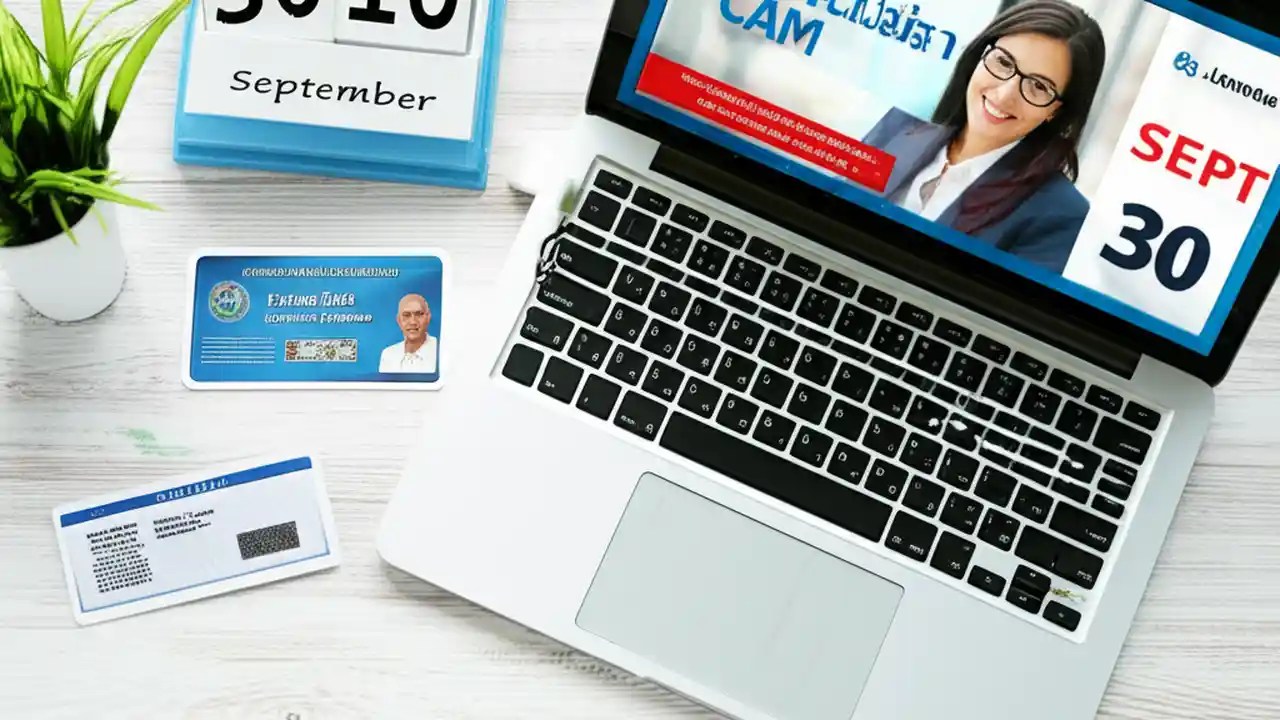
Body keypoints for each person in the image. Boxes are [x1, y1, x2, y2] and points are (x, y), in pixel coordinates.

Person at [862, 0, 1106, 274]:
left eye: (1039, 86)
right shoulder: (897, 128)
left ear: (1055, 111)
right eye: (1003, 62)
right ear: (980, 55)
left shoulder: (1060, 215)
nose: (1004, 95)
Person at [379, 294, 438, 374]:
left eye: (419, 314)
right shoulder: (388, 355)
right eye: (406, 315)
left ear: (428, 317)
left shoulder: (441, 350)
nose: (413, 322)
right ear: (399, 320)